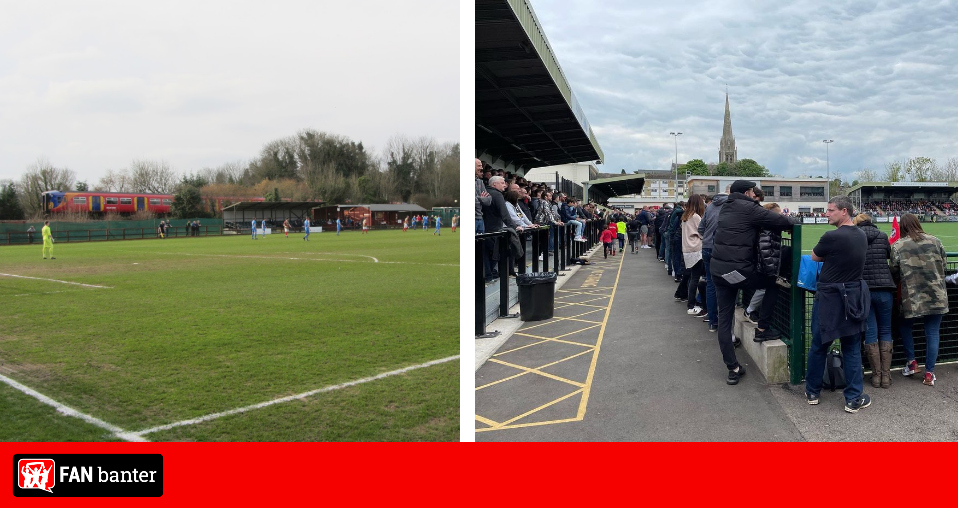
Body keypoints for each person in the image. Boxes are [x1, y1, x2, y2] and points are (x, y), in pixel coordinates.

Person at [710, 180, 797, 385]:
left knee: (725, 320)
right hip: (739, 271)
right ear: (749, 192)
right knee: (772, 283)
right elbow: (782, 221)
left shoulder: (725, 207)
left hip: (718, 271)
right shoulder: (748, 207)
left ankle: (733, 368)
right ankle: (762, 329)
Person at [804, 196, 871, 412]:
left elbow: (814, 257)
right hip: (852, 295)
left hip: (830, 296)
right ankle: (853, 398)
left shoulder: (831, 237)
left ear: (844, 212)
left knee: (819, 344)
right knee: (851, 347)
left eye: (831, 210)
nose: (827, 213)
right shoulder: (861, 235)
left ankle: (812, 391)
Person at [890, 213, 949, 387]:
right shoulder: (935, 241)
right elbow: (944, 264)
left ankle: (911, 362)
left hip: (912, 297)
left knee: (905, 326)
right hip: (937, 295)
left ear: (902, 227)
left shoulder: (899, 245)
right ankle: (929, 373)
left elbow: (894, 270)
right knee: (932, 332)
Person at [854, 212, 896, 388]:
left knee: (870, 330)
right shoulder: (883, 235)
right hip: (885, 287)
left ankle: (876, 376)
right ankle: (886, 377)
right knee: (886, 329)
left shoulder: (856, 237)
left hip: (865, 289)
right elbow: (889, 255)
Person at [699, 188, 728, 332]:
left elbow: (701, 228)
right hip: (721, 249)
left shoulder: (710, 207)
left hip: (706, 248)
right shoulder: (729, 206)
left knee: (711, 284)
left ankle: (712, 321)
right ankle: (724, 324)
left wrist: (707, 239)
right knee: (725, 285)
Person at [678, 194, 705, 316]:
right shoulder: (696, 217)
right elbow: (702, 233)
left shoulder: (685, 216)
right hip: (696, 249)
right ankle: (692, 305)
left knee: (692, 278)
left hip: (687, 250)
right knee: (696, 278)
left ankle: (691, 304)